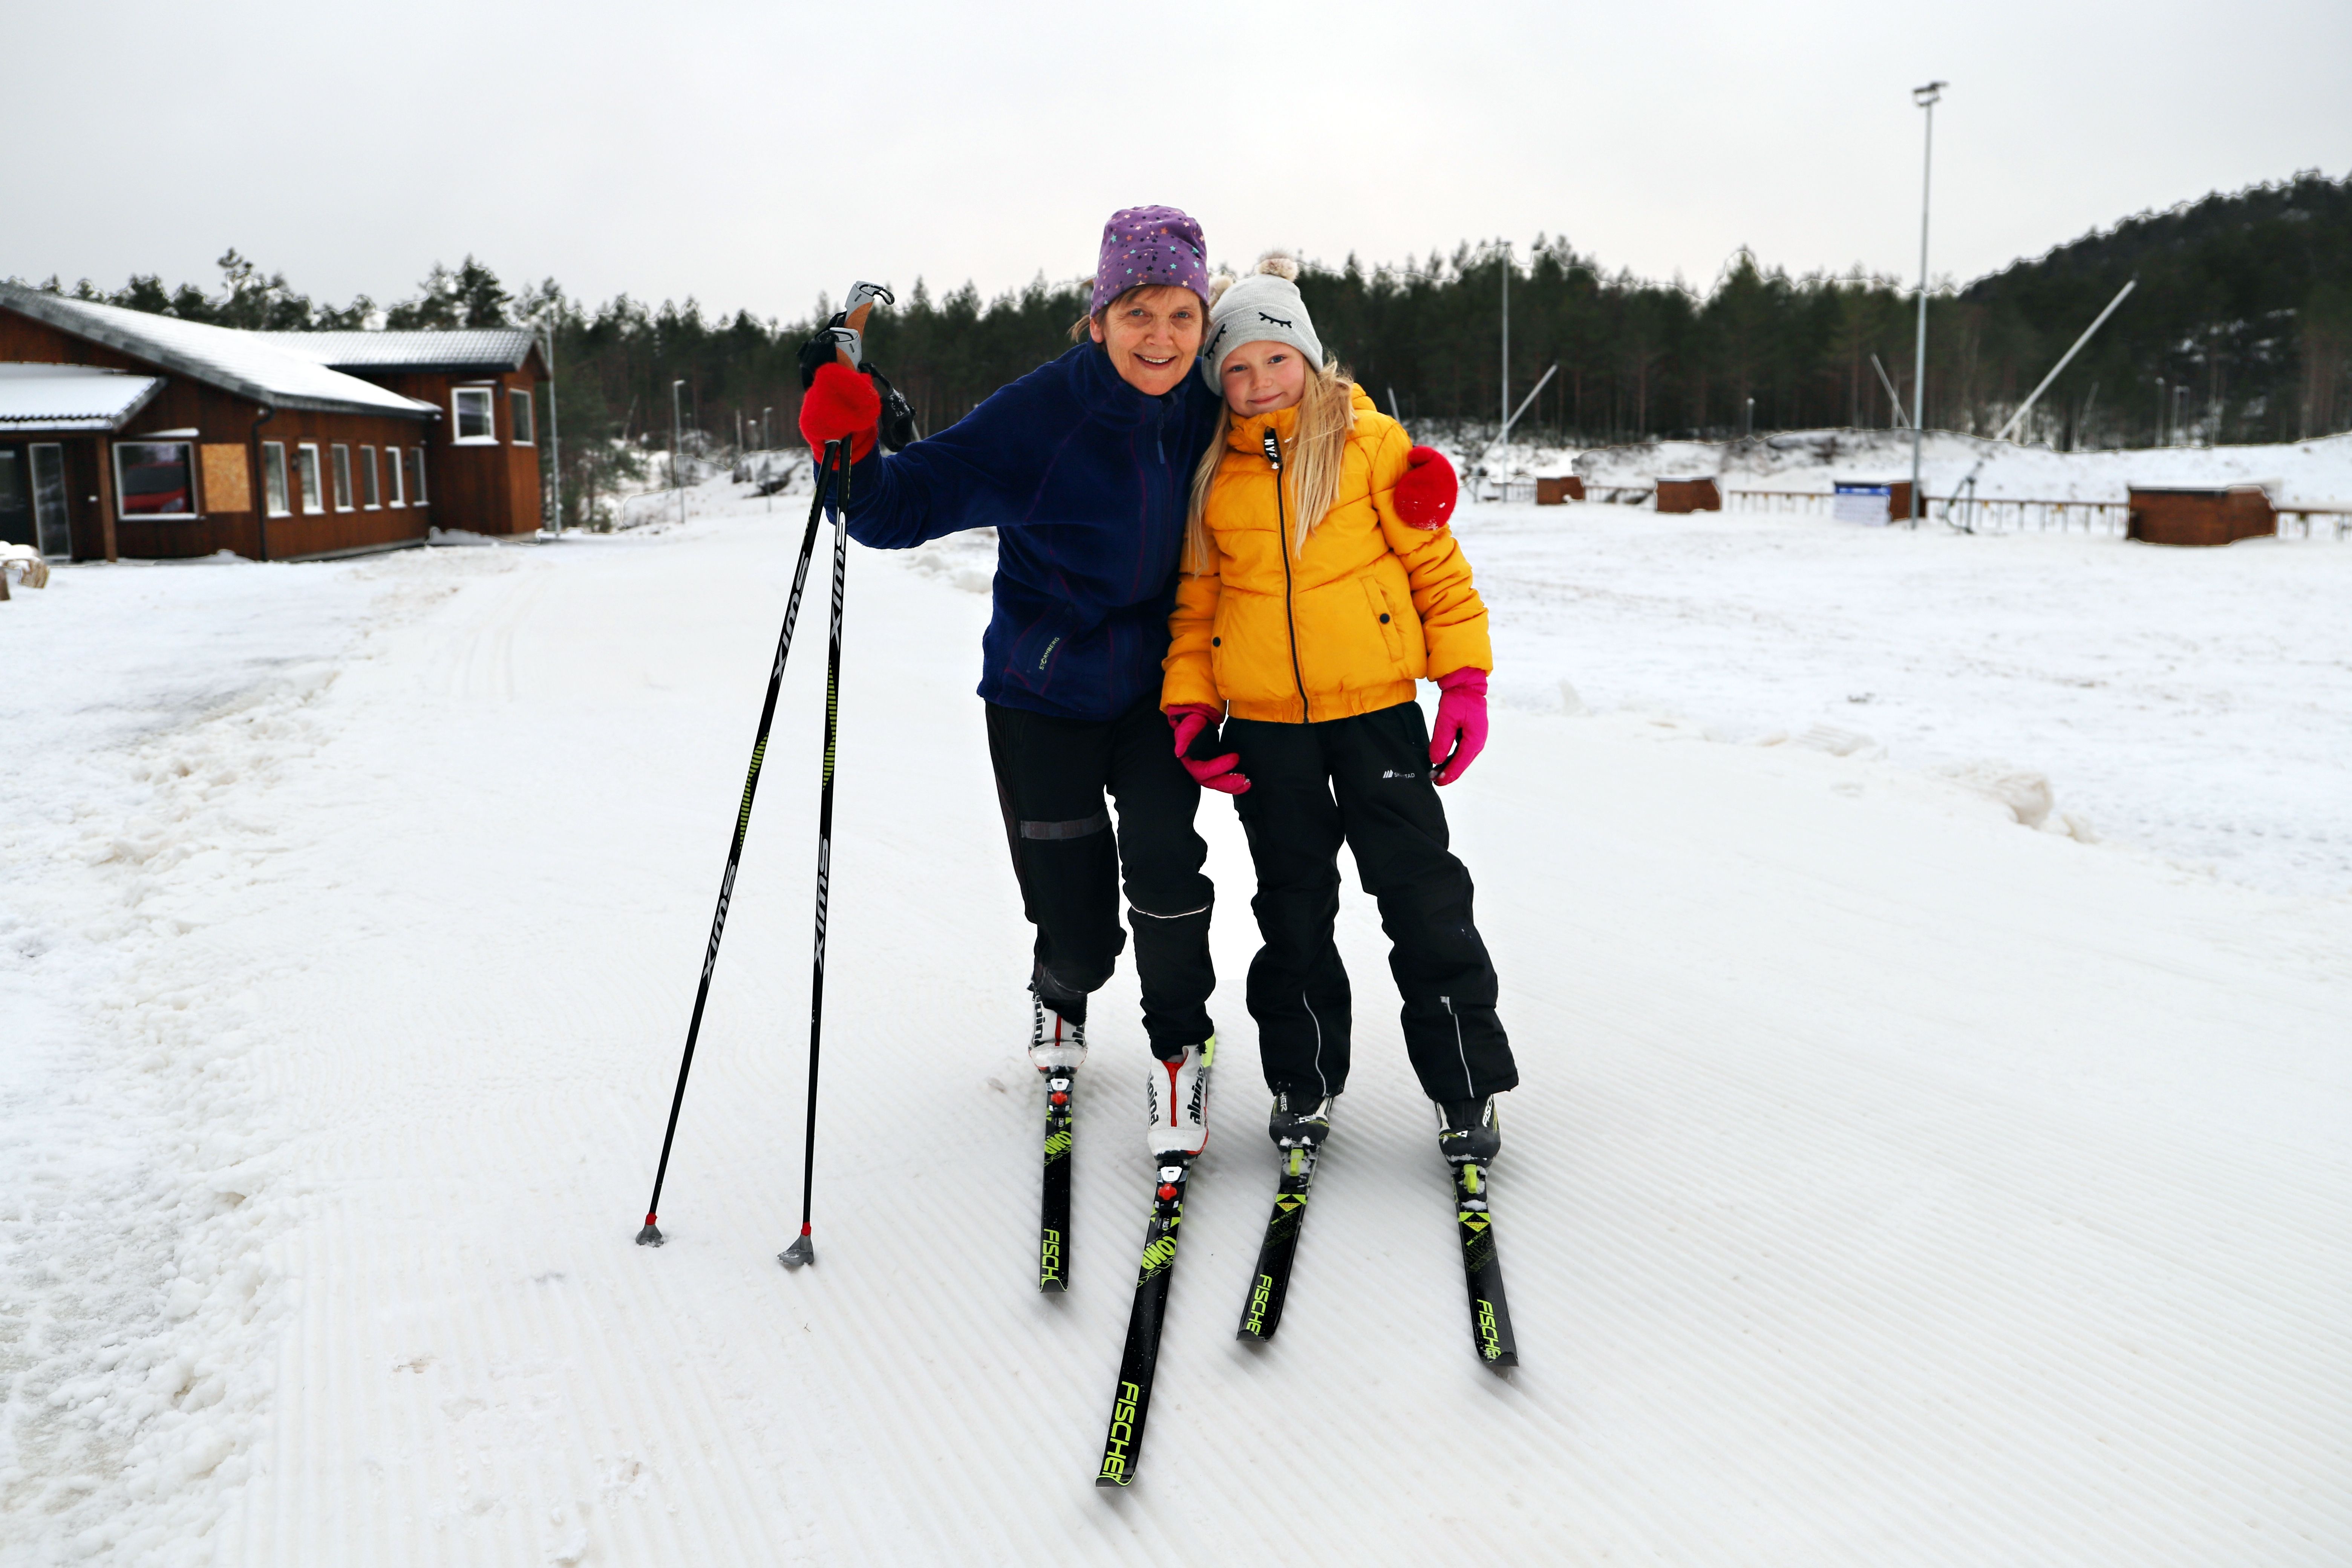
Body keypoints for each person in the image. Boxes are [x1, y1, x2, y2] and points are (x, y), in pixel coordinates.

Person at [797, 210, 1461, 1161]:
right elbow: (895, 509)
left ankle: (1180, 1047)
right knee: (1080, 932)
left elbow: (1311, 406)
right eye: (1138, 313)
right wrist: (850, 451)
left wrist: (1408, 469)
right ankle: (1060, 989)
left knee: (1167, 871)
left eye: (1182, 315)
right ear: (1099, 315)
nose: (1161, 337)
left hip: (1157, 690)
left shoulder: (1206, 404)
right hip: (1042, 696)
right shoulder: (1039, 417)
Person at [1160, 254, 1516, 1172]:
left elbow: (1438, 571)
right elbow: (1197, 609)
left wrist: (1464, 682)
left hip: (1376, 715)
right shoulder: (1213, 474)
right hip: (1266, 728)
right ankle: (1304, 1077)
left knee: (1423, 897)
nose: (1258, 382)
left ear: (1310, 358)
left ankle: (1464, 1081)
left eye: (1275, 360)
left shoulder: (1372, 445)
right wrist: (1192, 709)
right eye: (1237, 368)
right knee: (1293, 909)